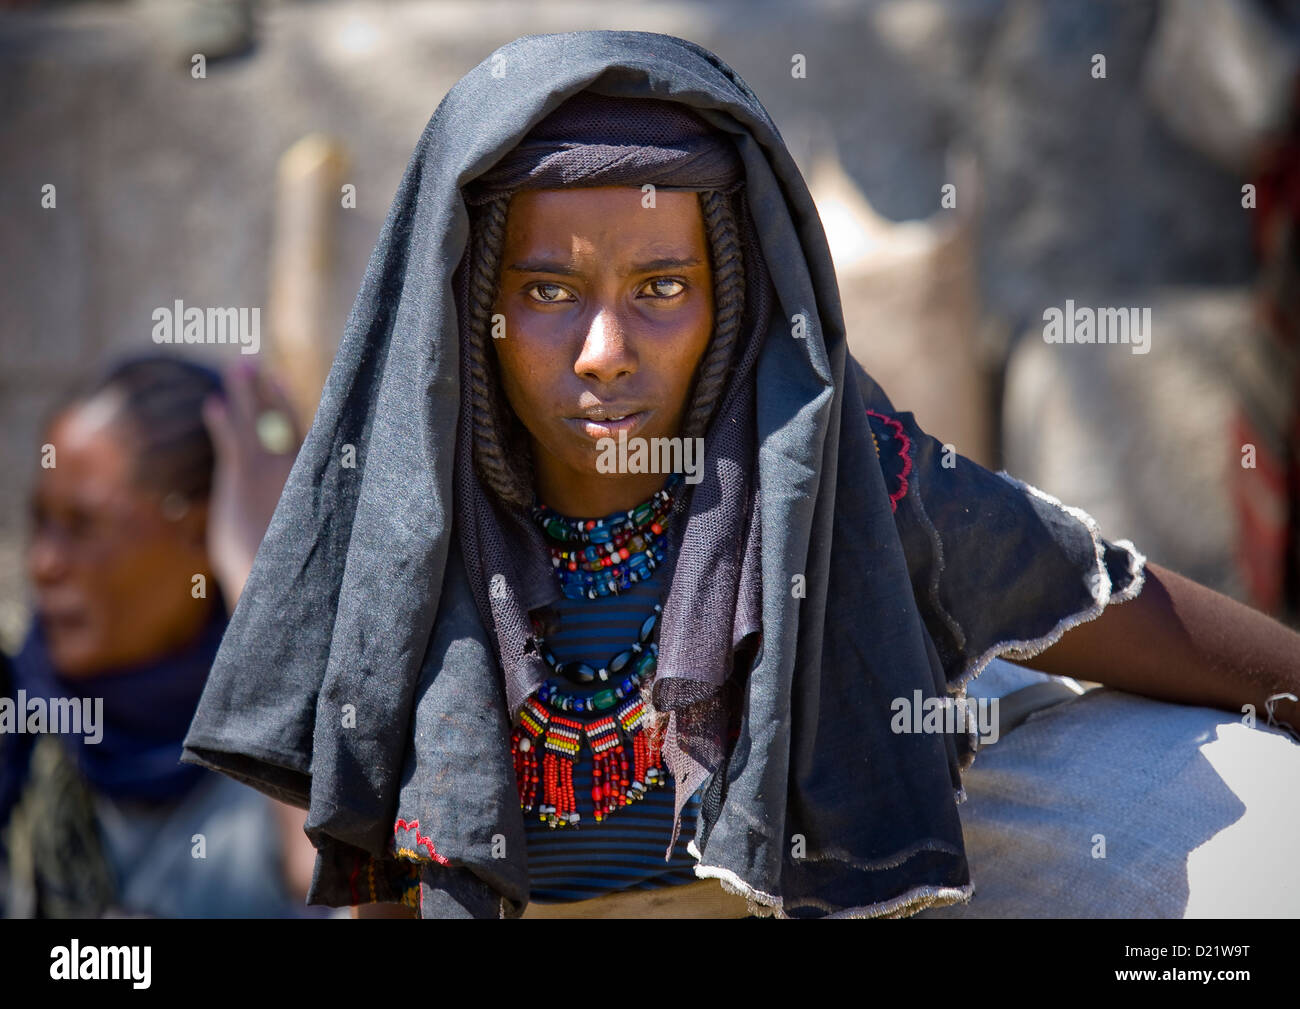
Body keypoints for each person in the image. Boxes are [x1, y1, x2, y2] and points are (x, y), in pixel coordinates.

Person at [181, 31, 1300, 919]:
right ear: (470, 310)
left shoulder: (830, 492)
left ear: (732, 304)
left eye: (662, 287)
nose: (605, 349)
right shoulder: (405, 542)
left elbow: (1108, 605)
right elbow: (376, 866)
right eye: (546, 290)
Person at [0, 354, 326, 917]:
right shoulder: (22, 723)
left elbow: (325, 873)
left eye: (83, 526)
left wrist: (262, 580)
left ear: (204, 535)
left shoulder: (295, 735)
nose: (44, 563)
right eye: (42, 523)